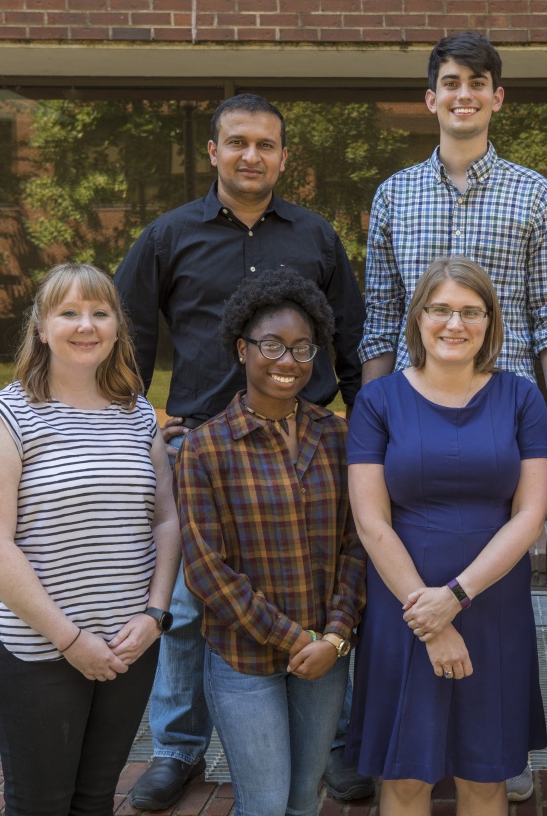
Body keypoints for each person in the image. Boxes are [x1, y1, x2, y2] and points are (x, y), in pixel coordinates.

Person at [114, 93, 367, 808]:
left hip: (307, 442)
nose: (251, 155)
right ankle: (178, 749)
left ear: (285, 157)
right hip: (203, 443)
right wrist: (146, 427)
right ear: (214, 152)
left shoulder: (317, 238)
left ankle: (334, 745)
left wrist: (364, 432)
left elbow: (349, 338)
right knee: (195, 608)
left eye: (265, 144)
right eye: (237, 143)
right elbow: (128, 339)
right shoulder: (169, 236)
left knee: (322, 584)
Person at [0, 262, 181, 816]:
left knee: (95, 802)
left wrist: (155, 615)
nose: (87, 325)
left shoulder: (138, 417)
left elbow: (166, 520)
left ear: (117, 327)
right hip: (37, 650)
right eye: (69, 312)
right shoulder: (3, 414)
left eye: (100, 312)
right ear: (41, 327)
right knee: (41, 805)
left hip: (128, 648)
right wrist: (70, 640)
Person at [345, 257, 547, 816]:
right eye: (440, 309)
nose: (454, 324)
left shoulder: (521, 397)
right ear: (418, 319)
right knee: (405, 775)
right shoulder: (378, 400)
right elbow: (371, 521)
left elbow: (530, 515)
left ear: (490, 322)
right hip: (403, 608)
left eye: (470, 311)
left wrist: (455, 598)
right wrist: (429, 618)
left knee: (484, 777)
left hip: (493, 608)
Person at [177, 271, 365, 816]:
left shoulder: (338, 438)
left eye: (303, 348)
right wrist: (293, 639)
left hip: (325, 656)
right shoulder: (206, 447)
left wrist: (334, 635)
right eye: (272, 345)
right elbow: (206, 569)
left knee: (306, 799)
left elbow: (357, 546)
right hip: (245, 659)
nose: (288, 360)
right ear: (243, 349)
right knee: (263, 804)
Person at [360, 32, 547, 460]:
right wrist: (369, 415)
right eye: (451, 82)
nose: (464, 94)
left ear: (496, 98)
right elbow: (382, 319)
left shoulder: (535, 194)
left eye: (477, 83)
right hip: (411, 404)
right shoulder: (393, 195)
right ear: (431, 98)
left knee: (517, 525)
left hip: (510, 403)